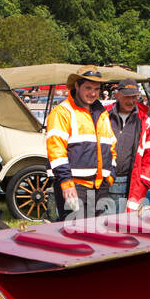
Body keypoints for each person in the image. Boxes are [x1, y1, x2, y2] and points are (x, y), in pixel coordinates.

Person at [45, 67, 117, 218]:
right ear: (76, 86)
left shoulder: (101, 112)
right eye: (88, 88)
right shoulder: (62, 112)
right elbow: (56, 151)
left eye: (97, 89)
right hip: (74, 186)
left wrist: (111, 174)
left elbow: (111, 145)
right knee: (75, 236)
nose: (93, 93)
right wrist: (66, 181)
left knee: (94, 235)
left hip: (99, 186)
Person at [106, 77, 150, 212]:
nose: (130, 101)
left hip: (130, 183)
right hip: (103, 182)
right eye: (126, 97)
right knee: (99, 226)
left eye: (134, 97)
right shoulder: (103, 116)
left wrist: (143, 181)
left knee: (123, 227)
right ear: (117, 95)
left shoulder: (146, 123)